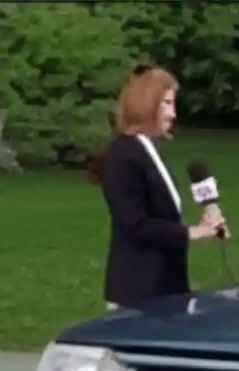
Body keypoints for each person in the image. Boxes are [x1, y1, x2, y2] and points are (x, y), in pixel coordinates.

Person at [87, 62, 227, 311]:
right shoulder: (123, 155)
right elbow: (136, 225)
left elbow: (162, 213)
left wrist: (210, 211)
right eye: (166, 104)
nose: (173, 114)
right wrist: (191, 233)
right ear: (146, 103)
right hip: (138, 293)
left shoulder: (149, 150)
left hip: (166, 287)